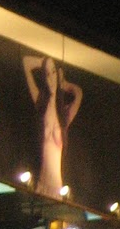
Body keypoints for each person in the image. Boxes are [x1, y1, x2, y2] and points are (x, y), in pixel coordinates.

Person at [22, 54, 82, 198]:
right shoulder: (40, 102)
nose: (50, 78)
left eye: (53, 72)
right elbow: (26, 62)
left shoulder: (64, 116)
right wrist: (44, 62)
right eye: (47, 74)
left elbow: (78, 94)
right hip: (40, 184)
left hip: (57, 187)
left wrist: (65, 84)